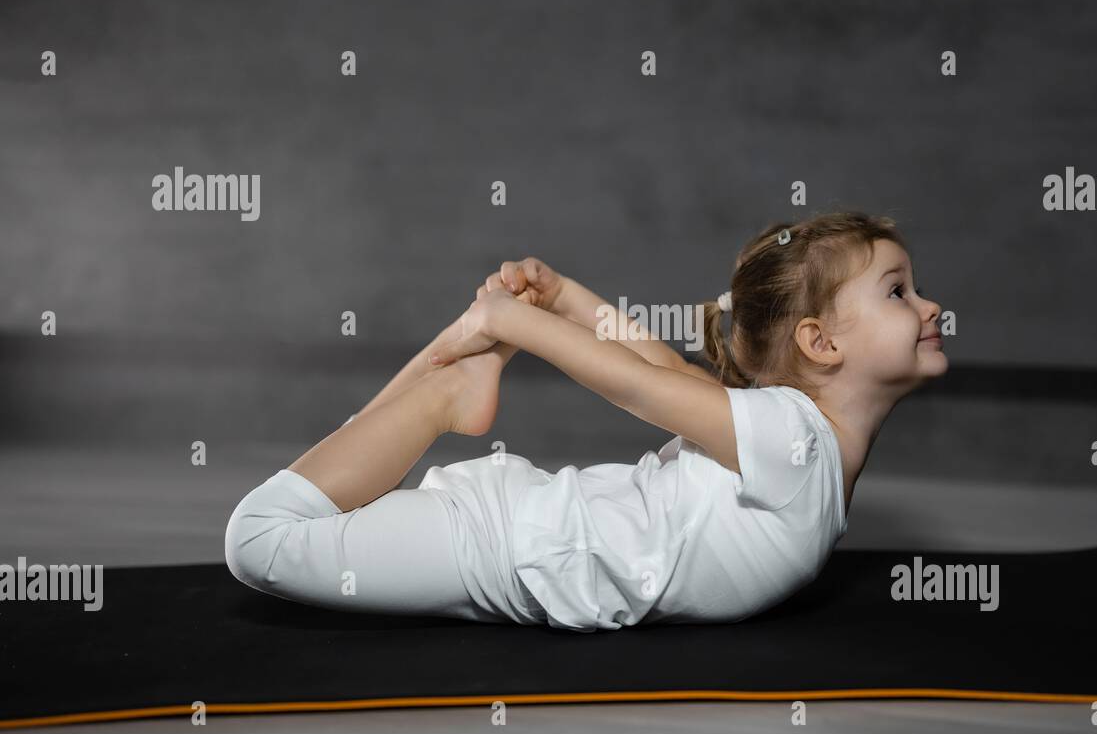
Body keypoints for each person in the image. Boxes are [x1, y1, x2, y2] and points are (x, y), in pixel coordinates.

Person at [224, 209, 947, 631]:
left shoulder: (786, 442)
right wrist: (522, 321)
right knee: (259, 541)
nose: (929, 307)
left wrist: (566, 298)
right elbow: (639, 384)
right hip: (504, 550)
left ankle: (454, 379)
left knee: (308, 520)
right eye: (899, 292)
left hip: (530, 542)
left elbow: (667, 377)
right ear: (820, 342)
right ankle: (447, 393)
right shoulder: (795, 440)